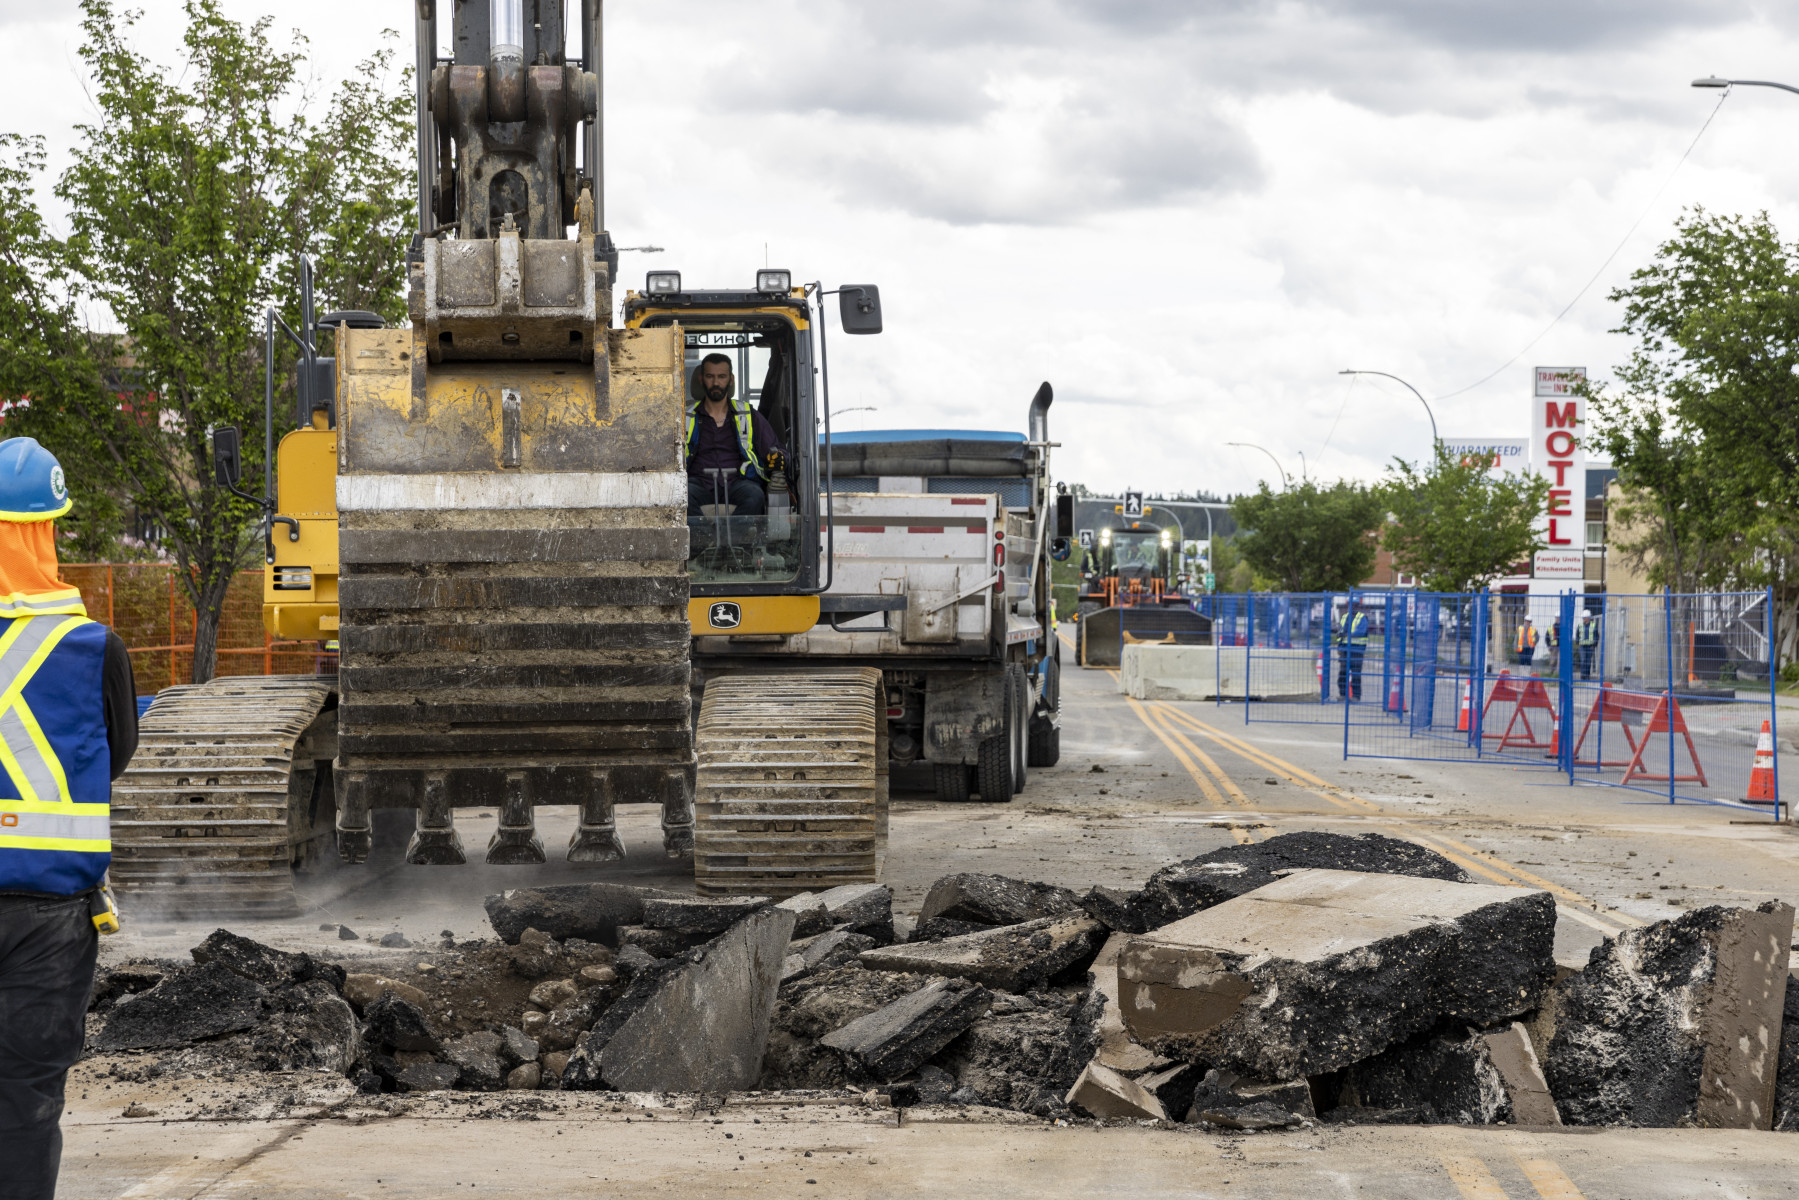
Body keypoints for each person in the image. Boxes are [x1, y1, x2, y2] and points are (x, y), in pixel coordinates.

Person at [0, 438, 138, 1200]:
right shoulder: (91, 648)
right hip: (50, 917)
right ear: (47, 529)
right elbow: (110, 762)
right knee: (23, 1099)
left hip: (48, 915)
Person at [684, 353, 784, 518]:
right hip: (698, 484)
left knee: (754, 495)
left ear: (731, 379)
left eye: (721, 376)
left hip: (738, 484)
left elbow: (775, 448)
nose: (716, 383)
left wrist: (779, 457)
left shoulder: (748, 415)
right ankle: (706, 539)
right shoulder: (684, 417)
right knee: (680, 495)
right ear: (701, 379)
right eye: (710, 376)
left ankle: (738, 542)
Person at [1333, 597, 1369, 701]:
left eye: (1354, 604)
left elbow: (1360, 632)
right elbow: (1340, 633)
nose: (1351, 606)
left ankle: (1356, 696)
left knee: (1356, 674)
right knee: (1343, 673)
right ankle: (1343, 695)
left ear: (1358, 606)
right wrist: (1339, 645)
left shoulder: (1362, 617)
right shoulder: (1344, 617)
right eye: (1350, 604)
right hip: (1345, 650)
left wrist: (1347, 634)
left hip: (1357, 650)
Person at [1574, 608, 1599, 680]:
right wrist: (1578, 642)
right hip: (1582, 646)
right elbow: (1577, 634)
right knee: (1583, 660)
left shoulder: (1594, 625)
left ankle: (1587, 676)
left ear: (1588, 618)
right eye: (1583, 618)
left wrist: (1594, 644)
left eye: (1585, 617)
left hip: (1590, 646)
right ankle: (1583, 676)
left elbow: (1596, 636)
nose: (1584, 619)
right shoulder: (1580, 625)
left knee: (1588, 661)